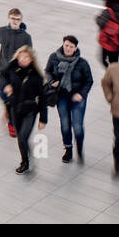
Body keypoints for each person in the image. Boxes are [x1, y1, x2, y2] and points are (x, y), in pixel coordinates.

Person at [46, 35, 93, 164]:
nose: (68, 48)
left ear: (75, 48)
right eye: (66, 45)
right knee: (65, 124)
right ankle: (68, 149)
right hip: (62, 96)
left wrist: (81, 94)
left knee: (77, 126)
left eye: (71, 47)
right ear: (63, 45)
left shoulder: (82, 63)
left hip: (77, 98)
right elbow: (47, 71)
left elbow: (89, 81)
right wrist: (51, 81)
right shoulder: (54, 57)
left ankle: (80, 149)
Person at [0, 8, 32, 137]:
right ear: (9, 18)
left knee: (13, 99)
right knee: (3, 94)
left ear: (21, 20)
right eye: (13, 18)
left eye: (18, 19)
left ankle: (12, 123)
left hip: (18, 73)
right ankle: (7, 109)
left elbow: (30, 56)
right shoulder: (1, 31)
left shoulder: (26, 37)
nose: (15, 21)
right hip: (4, 71)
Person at [3, 45, 47, 173]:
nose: (22, 59)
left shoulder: (36, 77)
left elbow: (42, 99)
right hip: (15, 109)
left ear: (31, 59)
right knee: (20, 138)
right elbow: (3, 75)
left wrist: (43, 119)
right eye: (20, 56)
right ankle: (26, 157)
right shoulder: (12, 67)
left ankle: (24, 163)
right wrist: (6, 85)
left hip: (30, 111)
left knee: (22, 137)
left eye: (26, 57)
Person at [96, 0, 119, 67]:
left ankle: (111, 72)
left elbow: (101, 23)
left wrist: (97, 18)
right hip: (118, 41)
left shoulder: (108, 11)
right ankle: (114, 72)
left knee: (103, 60)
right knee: (114, 62)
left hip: (107, 39)